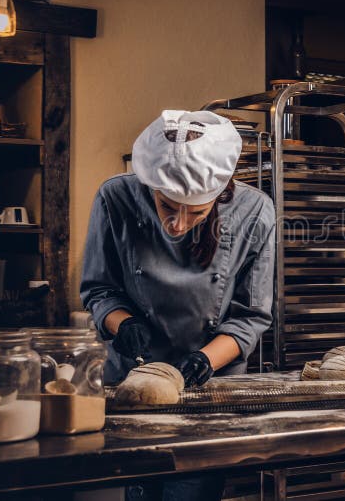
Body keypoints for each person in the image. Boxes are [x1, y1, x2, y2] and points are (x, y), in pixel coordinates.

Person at [81, 110, 275, 500]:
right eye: (167, 207)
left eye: (196, 213)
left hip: (211, 386)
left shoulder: (255, 211)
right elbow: (99, 290)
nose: (178, 224)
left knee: (193, 490)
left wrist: (202, 362)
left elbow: (250, 316)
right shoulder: (115, 198)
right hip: (134, 380)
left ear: (220, 195)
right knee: (141, 488)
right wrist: (124, 324)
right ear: (149, 185)